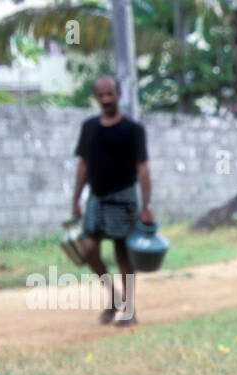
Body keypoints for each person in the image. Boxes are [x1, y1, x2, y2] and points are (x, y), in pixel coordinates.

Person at [71, 76, 152, 327]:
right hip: (97, 198)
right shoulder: (89, 128)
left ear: (119, 95)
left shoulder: (133, 130)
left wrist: (146, 206)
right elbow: (83, 165)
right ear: (96, 98)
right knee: (89, 249)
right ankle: (115, 297)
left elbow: (143, 169)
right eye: (101, 95)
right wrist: (75, 199)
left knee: (123, 256)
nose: (106, 99)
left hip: (124, 199)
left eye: (110, 94)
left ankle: (129, 309)